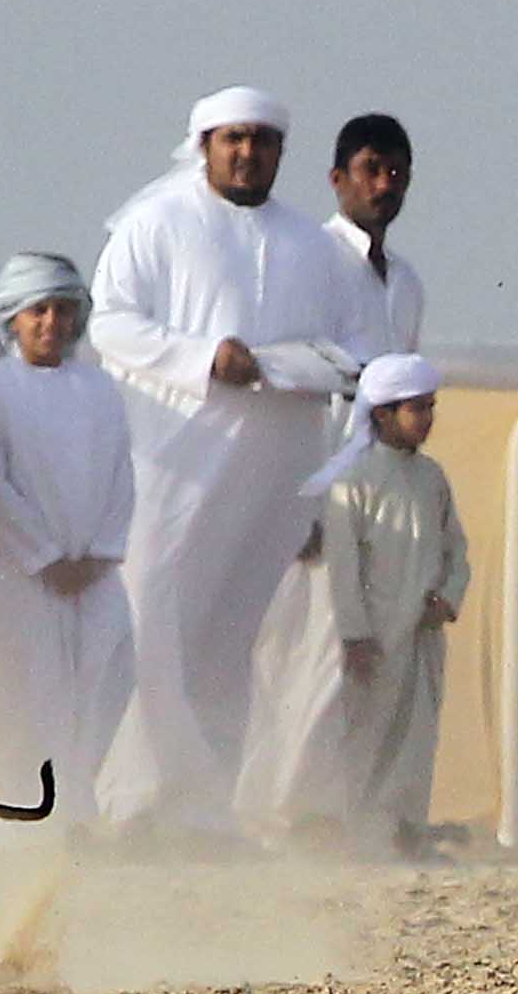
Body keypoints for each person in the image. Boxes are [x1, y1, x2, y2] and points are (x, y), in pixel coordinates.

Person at [88, 86, 376, 837]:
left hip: (273, 470)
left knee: (230, 633)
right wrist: (203, 358)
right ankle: (136, 804)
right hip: (171, 464)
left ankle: (204, 808)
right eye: (233, 140)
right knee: (153, 624)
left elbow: (358, 351)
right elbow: (110, 322)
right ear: (205, 145)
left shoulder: (315, 247)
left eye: (262, 141)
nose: (248, 153)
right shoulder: (156, 223)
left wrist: (286, 367)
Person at [244, 355, 473, 853]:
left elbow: (456, 548)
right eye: (417, 409)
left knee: (414, 733)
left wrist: (448, 598)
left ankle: (399, 826)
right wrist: (355, 634)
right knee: (352, 730)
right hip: (369, 635)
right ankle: (326, 825)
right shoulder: (352, 480)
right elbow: (342, 567)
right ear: (382, 415)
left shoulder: (432, 478)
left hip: (420, 633)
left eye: (431, 407)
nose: (428, 419)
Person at [0, 251, 138, 804]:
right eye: (38, 311)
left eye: (62, 310)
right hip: (27, 580)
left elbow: (121, 476)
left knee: (106, 678)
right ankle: (28, 808)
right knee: (31, 692)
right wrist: (45, 558)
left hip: (96, 573)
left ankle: (80, 806)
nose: (51, 323)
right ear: (13, 317)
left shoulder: (100, 389)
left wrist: (102, 552)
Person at [324, 112, 427, 353]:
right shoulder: (314, 259)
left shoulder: (406, 281)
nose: (384, 185)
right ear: (337, 179)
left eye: (394, 172)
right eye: (371, 170)